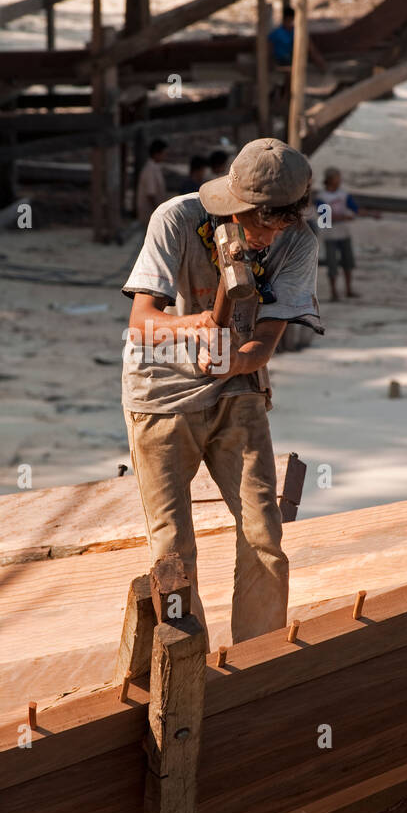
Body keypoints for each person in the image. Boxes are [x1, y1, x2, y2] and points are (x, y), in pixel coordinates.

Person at [121, 138, 323, 642]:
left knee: (264, 535)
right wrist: (199, 326)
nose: (263, 236)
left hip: (237, 389)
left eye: (276, 224)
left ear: (291, 216)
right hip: (160, 395)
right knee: (173, 551)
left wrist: (234, 360)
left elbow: (264, 346)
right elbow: (142, 322)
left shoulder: (299, 243)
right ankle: (186, 662)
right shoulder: (176, 219)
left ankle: (258, 662)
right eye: (253, 222)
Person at [315, 166, 367, 300]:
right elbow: (325, 218)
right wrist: (344, 217)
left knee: (347, 263)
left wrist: (371, 214)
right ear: (330, 180)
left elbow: (355, 209)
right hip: (330, 235)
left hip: (344, 233)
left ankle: (348, 290)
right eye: (337, 178)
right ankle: (334, 293)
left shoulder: (344, 195)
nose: (339, 180)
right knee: (332, 265)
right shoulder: (321, 197)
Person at [136, 138, 169, 226]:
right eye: (163, 154)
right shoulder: (150, 169)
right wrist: (160, 211)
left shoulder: (155, 168)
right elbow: (151, 194)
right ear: (157, 154)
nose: (165, 156)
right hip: (150, 214)